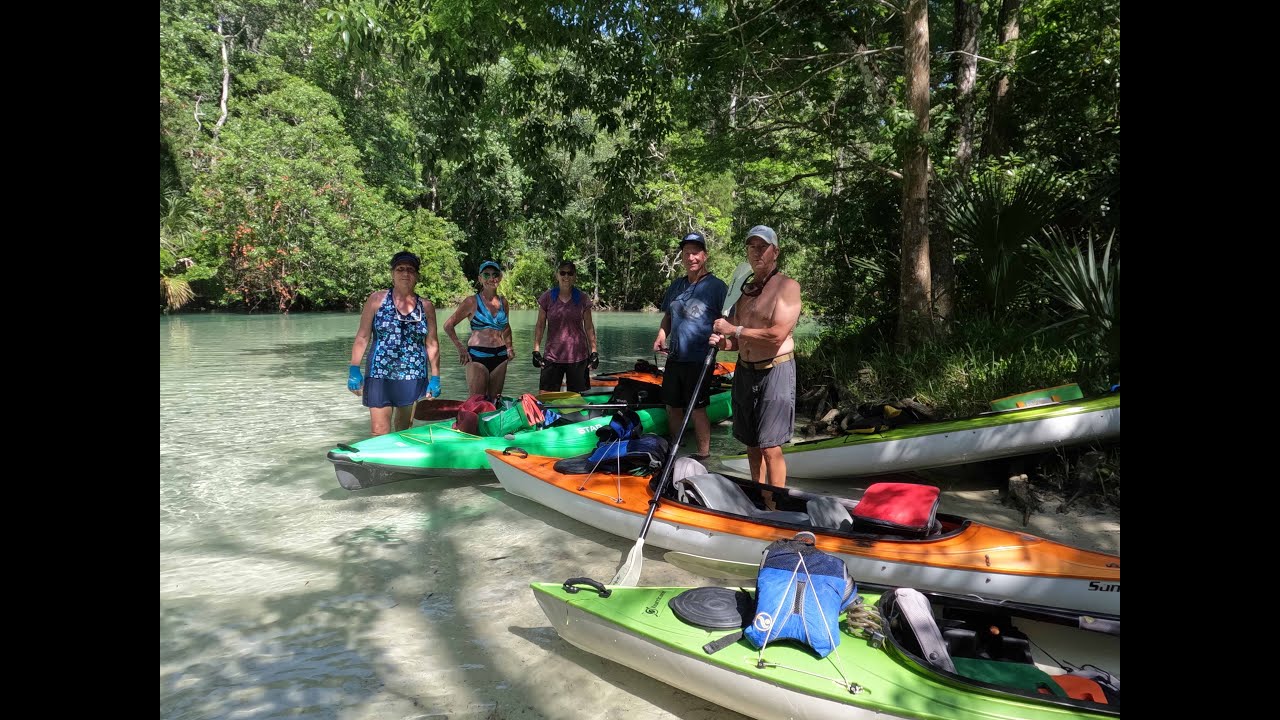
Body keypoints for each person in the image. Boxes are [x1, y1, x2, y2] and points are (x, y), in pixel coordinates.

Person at [709, 225, 802, 494]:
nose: (757, 252)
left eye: (763, 247)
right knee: (750, 443)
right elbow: (737, 342)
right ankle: (757, 496)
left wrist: (733, 330)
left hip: (775, 371)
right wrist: (722, 341)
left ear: (775, 252)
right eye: (753, 247)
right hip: (745, 370)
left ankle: (778, 503)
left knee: (770, 446)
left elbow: (776, 335)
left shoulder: (787, 287)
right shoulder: (744, 291)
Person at [347, 250, 442, 436]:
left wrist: (436, 377)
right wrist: (354, 369)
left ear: (417, 276)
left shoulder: (426, 306)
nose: (405, 273)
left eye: (410, 270)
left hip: (413, 373)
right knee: (379, 432)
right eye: (400, 269)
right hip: (379, 373)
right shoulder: (377, 300)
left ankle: (398, 465)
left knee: (404, 431)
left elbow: (432, 343)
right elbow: (363, 336)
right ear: (392, 274)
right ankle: (375, 465)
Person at [653, 232, 727, 460]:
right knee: (672, 406)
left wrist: (724, 340)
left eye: (696, 253)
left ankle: (704, 455)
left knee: (697, 408)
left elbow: (728, 320)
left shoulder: (717, 287)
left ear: (704, 256)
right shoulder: (676, 285)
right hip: (675, 356)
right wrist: (661, 335)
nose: (691, 257)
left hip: (700, 358)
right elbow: (668, 315)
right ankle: (677, 447)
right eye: (687, 253)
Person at [444, 260, 514, 398]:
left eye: (495, 274)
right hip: (477, 355)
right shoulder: (471, 301)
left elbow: (506, 326)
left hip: (500, 355)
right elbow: (448, 325)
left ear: (499, 278)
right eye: (486, 275)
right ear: (480, 279)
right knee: (477, 402)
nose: (491, 278)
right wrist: (461, 348)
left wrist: (509, 347)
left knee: (495, 401)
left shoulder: (503, 302)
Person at [532, 260, 599, 393]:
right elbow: (540, 325)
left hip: (578, 356)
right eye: (562, 273)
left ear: (574, 276)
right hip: (552, 356)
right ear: (557, 275)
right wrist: (536, 350)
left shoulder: (583, 299)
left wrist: (594, 351)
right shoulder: (547, 298)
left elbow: (589, 327)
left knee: (577, 402)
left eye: (570, 273)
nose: (566, 276)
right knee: (545, 398)